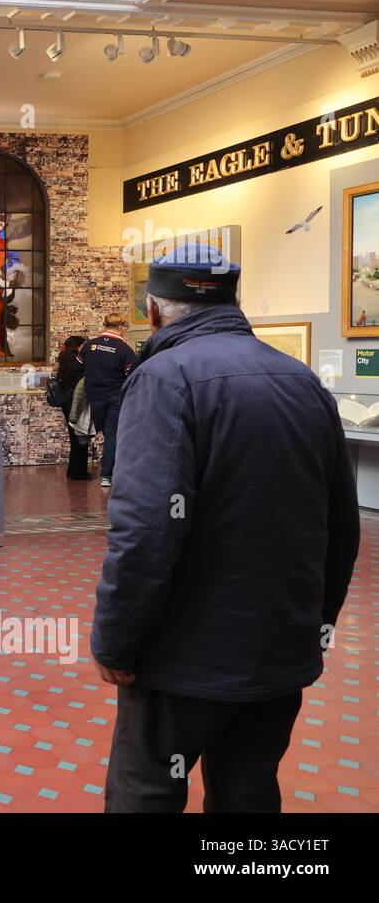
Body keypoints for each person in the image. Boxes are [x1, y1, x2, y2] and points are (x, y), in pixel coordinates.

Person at [92, 241, 359, 813]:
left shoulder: (164, 378)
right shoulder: (302, 381)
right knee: (248, 792)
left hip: (182, 661)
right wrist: (315, 625)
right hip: (278, 653)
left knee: (148, 791)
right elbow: (341, 523)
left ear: (155, 309)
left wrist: (115, 640)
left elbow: (146, 531)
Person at [77, 312, 135, 487]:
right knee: (112, 435)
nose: (126, 330)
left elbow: (77, 368)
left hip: (94, 398)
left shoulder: (89, 345)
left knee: (104, 432)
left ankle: (108, 470)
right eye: (125, 327)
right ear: (120, 327)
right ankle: (106, 476)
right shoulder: (124, 349)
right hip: (115, 397)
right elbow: (132, 375)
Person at [54, 335, 90, 480]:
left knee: (74, 437)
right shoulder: (79, 361)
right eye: (84, 345)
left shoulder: (63, 359)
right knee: (81, 437)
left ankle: (74, 471)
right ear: (78, 346)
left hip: (66, 402)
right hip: (77, 401)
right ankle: (79, 472)